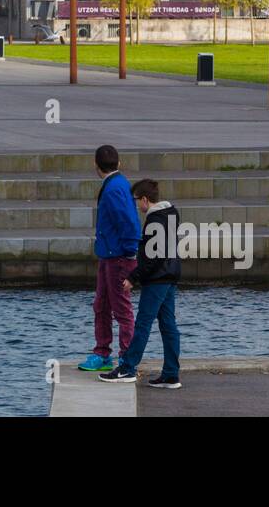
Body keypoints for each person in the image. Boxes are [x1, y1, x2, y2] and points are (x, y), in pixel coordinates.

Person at [99, 179, 181, 388]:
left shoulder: (154, 221)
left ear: (145, 199)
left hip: (157, 280)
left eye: (137, 201)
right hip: (170, 276)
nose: (137, 205)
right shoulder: (171, 214)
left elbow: (154, 257)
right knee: (168, 326)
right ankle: (171, 374)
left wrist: (133, 277)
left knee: (143, 325)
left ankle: (127, 368)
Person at [78, 144, 142, 373]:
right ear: (119, 163)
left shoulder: (114, 188)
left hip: (119, 257)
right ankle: (102, 353)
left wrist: (129, 252)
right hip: (109, 255)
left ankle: (127, 358)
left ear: (96, 165)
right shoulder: (118, 184)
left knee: (122, 310)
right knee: (101, 305)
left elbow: (129, 223)